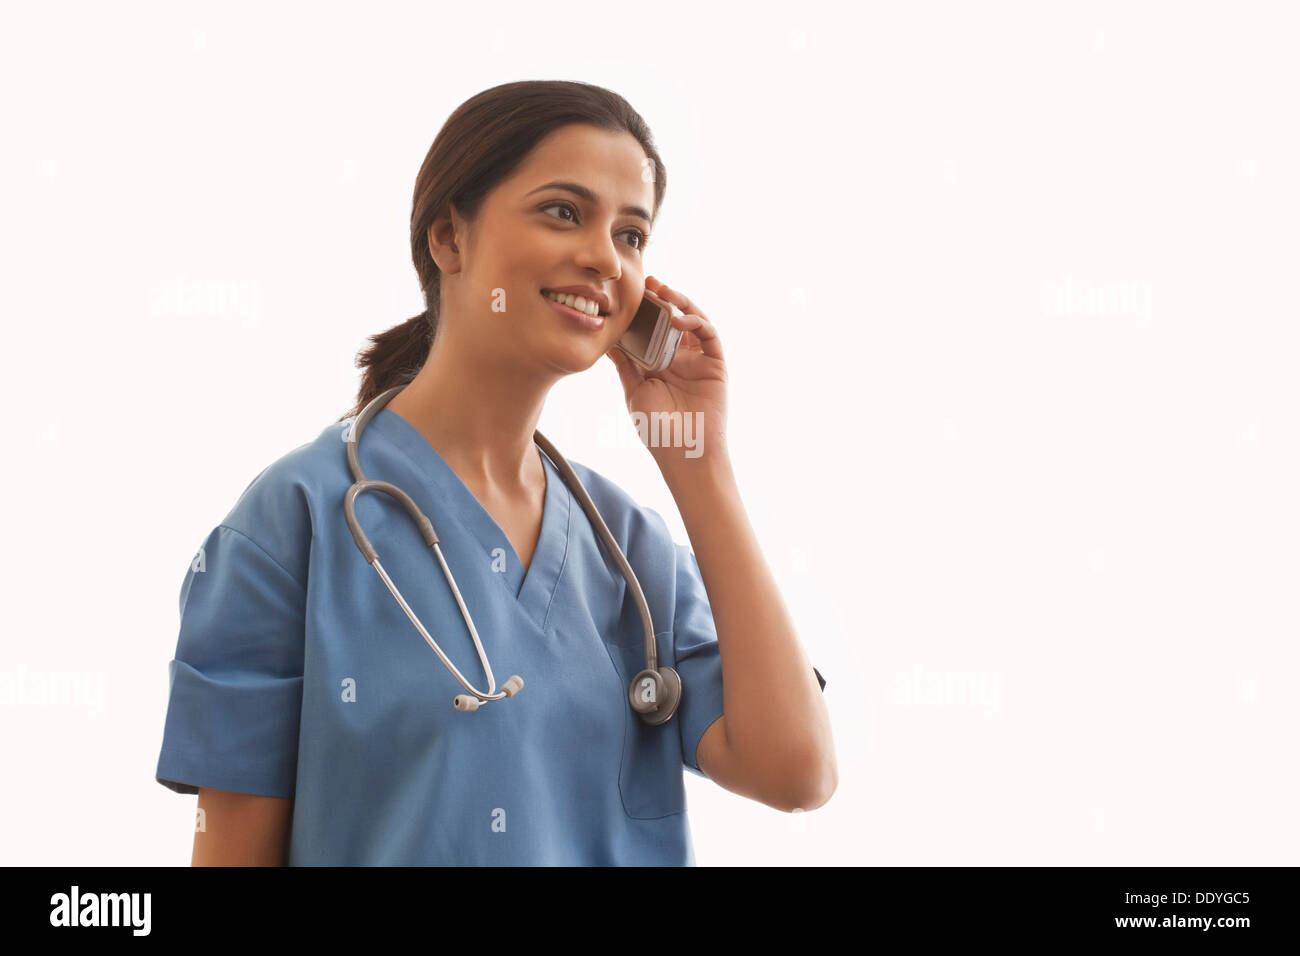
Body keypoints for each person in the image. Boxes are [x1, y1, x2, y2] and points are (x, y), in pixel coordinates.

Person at [155, 80, 835, 866]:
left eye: (632, 234)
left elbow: (797, 772)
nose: (604, 259)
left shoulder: (632, 554)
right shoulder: (292, 526)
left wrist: (699, 463)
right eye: (563, 211)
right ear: (449, 237)